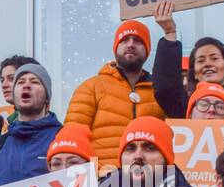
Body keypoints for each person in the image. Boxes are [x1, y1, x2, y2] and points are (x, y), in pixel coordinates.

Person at [64, 21, 165, 167]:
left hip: (149, 182)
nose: (130, 44)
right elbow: (72, 142)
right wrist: (97, 174)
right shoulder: (91, 87)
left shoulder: (159, 92)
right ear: (116, 47)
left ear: (148, 50)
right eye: (124, 40)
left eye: (137, 40)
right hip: (103, 182)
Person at [151, 1, 224, 120]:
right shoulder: (186, 105)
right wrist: (169, 32)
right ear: (195, 73)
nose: (207, 64)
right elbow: (165, 88)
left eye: (214, 58)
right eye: (201, 61)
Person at [0, 63, 61, 187]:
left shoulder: (64, 138)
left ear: (47, 98)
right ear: (14, 95)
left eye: (35, 82)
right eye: (20, 82)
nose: (26, 85)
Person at [0, 54, 37, 141]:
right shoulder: (14, 122)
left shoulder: (32, 121)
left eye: (11, 78)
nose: (4, 85)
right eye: (2, 80)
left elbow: (2, 153)